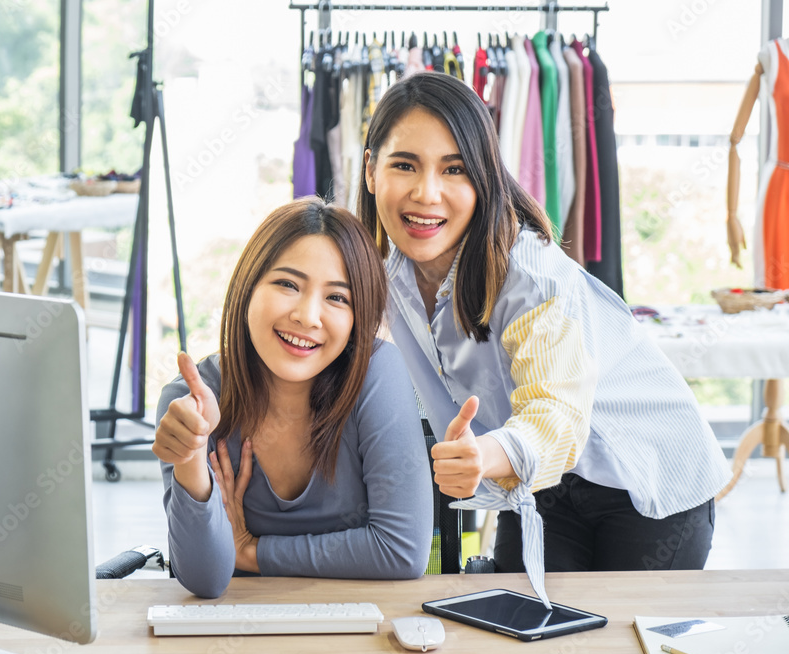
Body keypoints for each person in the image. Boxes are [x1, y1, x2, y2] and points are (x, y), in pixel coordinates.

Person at [357, 71, 731, 603]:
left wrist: (483, 456)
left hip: (647, 474)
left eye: (454, 169)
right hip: (544, 483)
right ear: (371, 170)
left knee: (620, 643)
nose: (427, 193)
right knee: (524, 636)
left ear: (484, 178)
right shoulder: (382, 274)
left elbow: (555, 414)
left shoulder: (529, 272)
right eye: (404, 165)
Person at [153, 197, 433, 598]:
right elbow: (205, 580)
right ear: (248, 287)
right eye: (287, 284)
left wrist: (252, 553)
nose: (307, 316)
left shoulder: (375, 372)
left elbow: (401, 551)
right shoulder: (191, 403)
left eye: (337, 297)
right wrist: (191, 459)